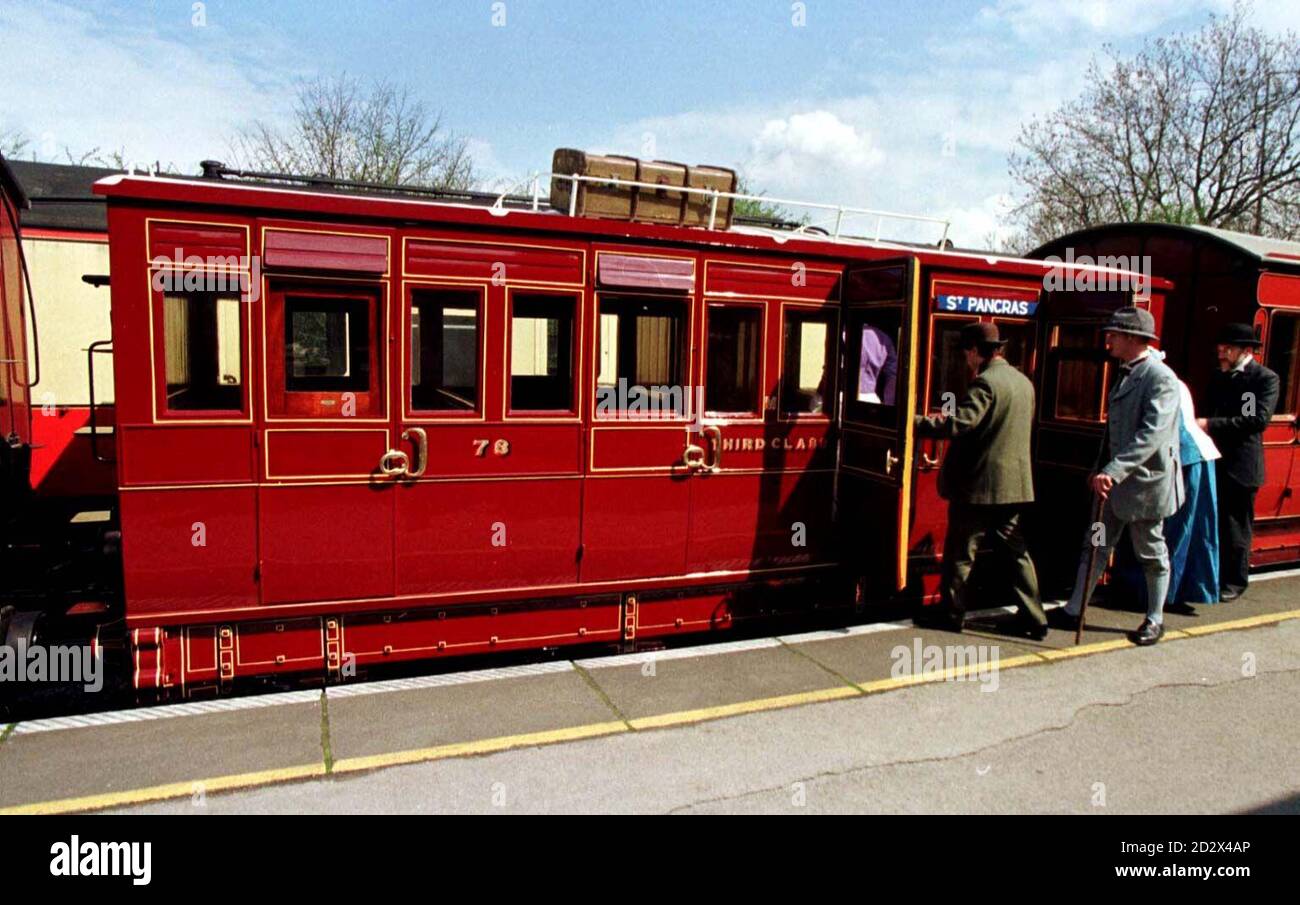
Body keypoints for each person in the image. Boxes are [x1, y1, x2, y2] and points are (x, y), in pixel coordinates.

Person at [1053, 307, 1183, 646]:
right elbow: (1113, 431)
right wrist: (1100, 468)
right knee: (1095, 545)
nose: (1108, 340)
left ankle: (1155, 619)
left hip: (1144, 487)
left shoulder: (1161, 378)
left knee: (1151, 553)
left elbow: (1151, 435)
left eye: (1114, 335)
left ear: (1132, 338)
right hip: (1111, 487)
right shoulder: (1127, 372)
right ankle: (1074, 609)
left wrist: (1112, 470)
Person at [914, 322, 1047, 639]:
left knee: (961, 554)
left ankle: (951, 613)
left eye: (966, 352)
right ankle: (1036, 617)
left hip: (979, 487)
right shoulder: (1023, 383)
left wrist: (914, 421)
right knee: (1016, 554)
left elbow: (961, 424)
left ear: (975, 351)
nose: (965, 359)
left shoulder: (985, 384)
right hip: (1014, 485)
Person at [1196, 323, 1280, 601]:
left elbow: (1252, 420)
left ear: (1245, 350)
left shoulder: (1259, 379)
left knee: (1235, 527)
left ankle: (1234, 581)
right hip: (1215, 461)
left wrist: (1209, 424)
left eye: (1227, 347)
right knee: (1214, 521)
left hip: (1240, 466)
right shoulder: (1220, 376)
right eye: (1220, 346)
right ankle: (1212, 576)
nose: (1221, 352)